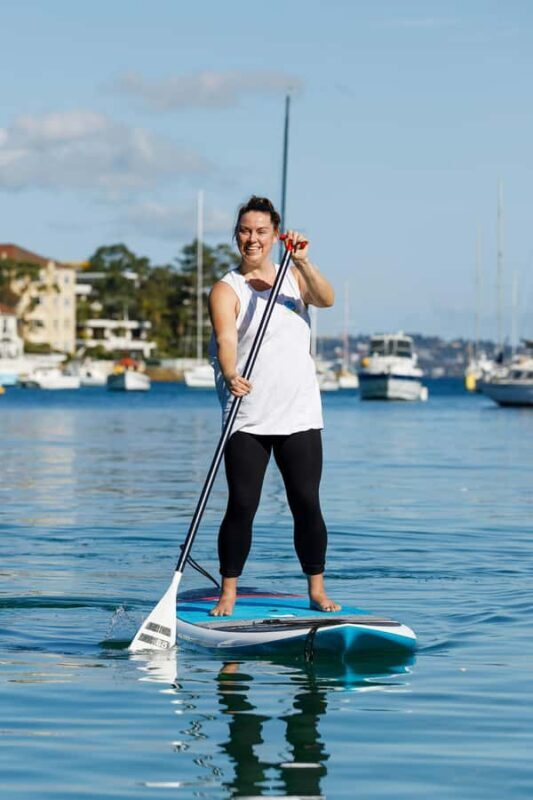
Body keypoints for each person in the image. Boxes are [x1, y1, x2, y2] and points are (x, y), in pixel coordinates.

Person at [207, 195, 340, 617]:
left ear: (274, 235)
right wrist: (230, 374)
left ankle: (316, 590)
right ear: (236, 236)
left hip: (299, 413)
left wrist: (300, 261)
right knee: (242, 504)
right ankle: (228, 592)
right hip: (247, 416)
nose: (252, 239)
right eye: (245, 231)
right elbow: (227, 340)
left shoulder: (292, 278)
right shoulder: (227, 288)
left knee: (306, 502)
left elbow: (327, 298)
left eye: (261, 231)